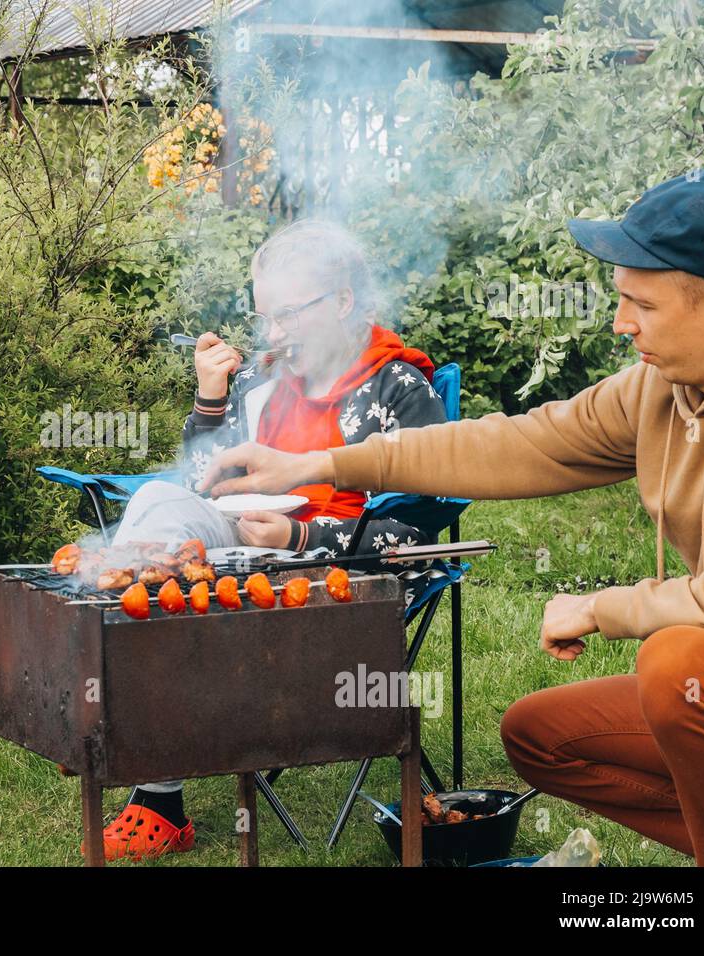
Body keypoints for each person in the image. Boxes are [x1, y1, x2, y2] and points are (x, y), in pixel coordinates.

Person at [200, 170, 704, 867]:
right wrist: (319, 466)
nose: (620, 323)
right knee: (540, 736)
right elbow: (519, 443)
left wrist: (602, 606)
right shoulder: (659, 389)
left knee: (675, 663)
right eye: (620, 301)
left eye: (642, 304)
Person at [99, 220, 447, 862]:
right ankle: (124, 718)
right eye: (266, 318)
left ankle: (155, 791)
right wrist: (210, 400)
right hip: (238, 545)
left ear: (342, 302)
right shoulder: (263, 385)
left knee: (190, 573)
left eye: (288, 315)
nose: (275, 335)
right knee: (154, 501)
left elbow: (417, 528)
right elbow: (206, 476)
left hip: (340, 574)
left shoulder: (398, 389)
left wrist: (303, 532)